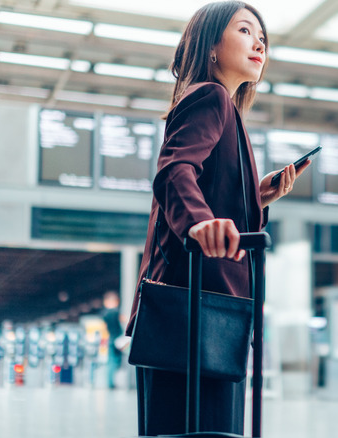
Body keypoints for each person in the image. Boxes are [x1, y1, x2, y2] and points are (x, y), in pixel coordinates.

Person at [124, 2, 309, 435]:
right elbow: (174, 170)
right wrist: (197, 223)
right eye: (245, 31)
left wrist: (255, 197)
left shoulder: (228, 112)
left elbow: (198, 179)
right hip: (195, 311)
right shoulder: (210, 96)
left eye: (262, 37)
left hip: (208, 314)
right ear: (210, 45)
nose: (258, 42)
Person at [100, 291, 122, 389]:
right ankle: (111, 383)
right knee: (114, 361)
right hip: (116, 340)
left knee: (111, 361)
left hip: (110, 339)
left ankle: (110, 382)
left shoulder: (104, 313)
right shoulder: (115, 312)